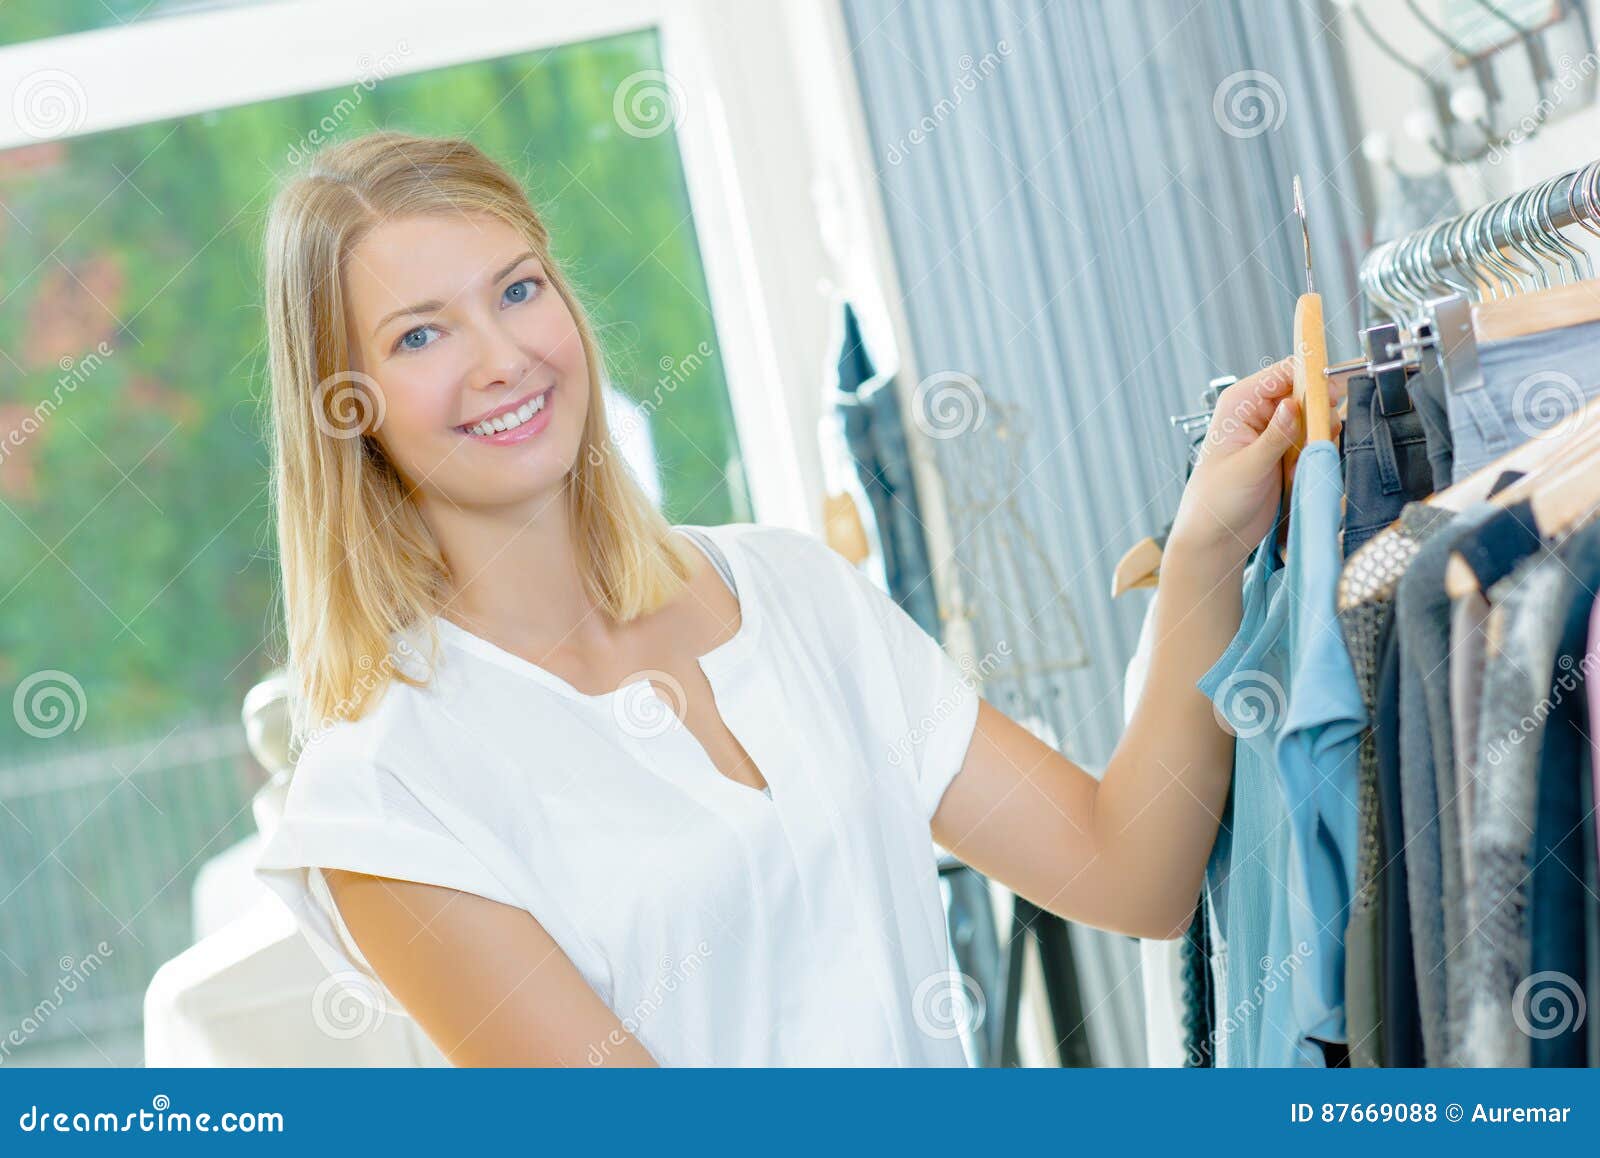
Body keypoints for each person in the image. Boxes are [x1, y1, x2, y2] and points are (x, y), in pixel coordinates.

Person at [253, 130, 1336, 1067]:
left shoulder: (790, 591)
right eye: (420, 334)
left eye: (518, 289)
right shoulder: (386, 798)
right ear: (345, 408)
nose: (502, 357)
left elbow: (1128, 870)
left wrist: (1202, 549)